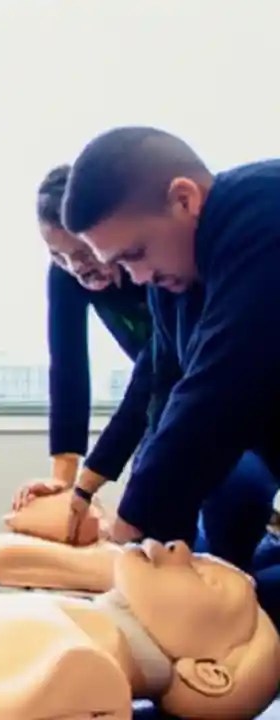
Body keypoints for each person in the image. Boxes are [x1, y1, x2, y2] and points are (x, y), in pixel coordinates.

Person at [58, 126, 280, 555]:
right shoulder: (173, 285)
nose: (138, 278)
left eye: (136, 253)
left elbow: (220, 389)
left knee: (251, 602)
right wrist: (152, 544)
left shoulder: (265, 215)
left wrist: (132, 527)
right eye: (121, 264)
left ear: (184, 199)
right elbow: (164, 394)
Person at [11, 164, 154, 539]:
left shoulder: (153, 267)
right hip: (162, 393)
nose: (76, 267)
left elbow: (154, 374)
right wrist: (64, 481)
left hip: (196, 380)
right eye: (58, 255)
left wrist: (88, 482)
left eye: (84, 251)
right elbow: (68, 369)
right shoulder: (66, 274)